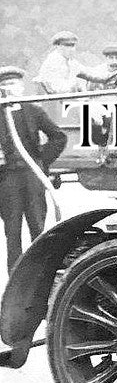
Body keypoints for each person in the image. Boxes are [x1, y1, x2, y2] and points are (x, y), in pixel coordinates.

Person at [0, 66, 67, 271]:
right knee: (12, 232)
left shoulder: (33, 111)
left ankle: (40, 275)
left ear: (21, 86)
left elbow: (59, 137)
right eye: (4, 85)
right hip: (7, 179)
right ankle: (15, 278)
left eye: (13, 84)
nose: (9, 88)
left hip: (32, 176)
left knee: (38, 227)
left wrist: (41, 162)